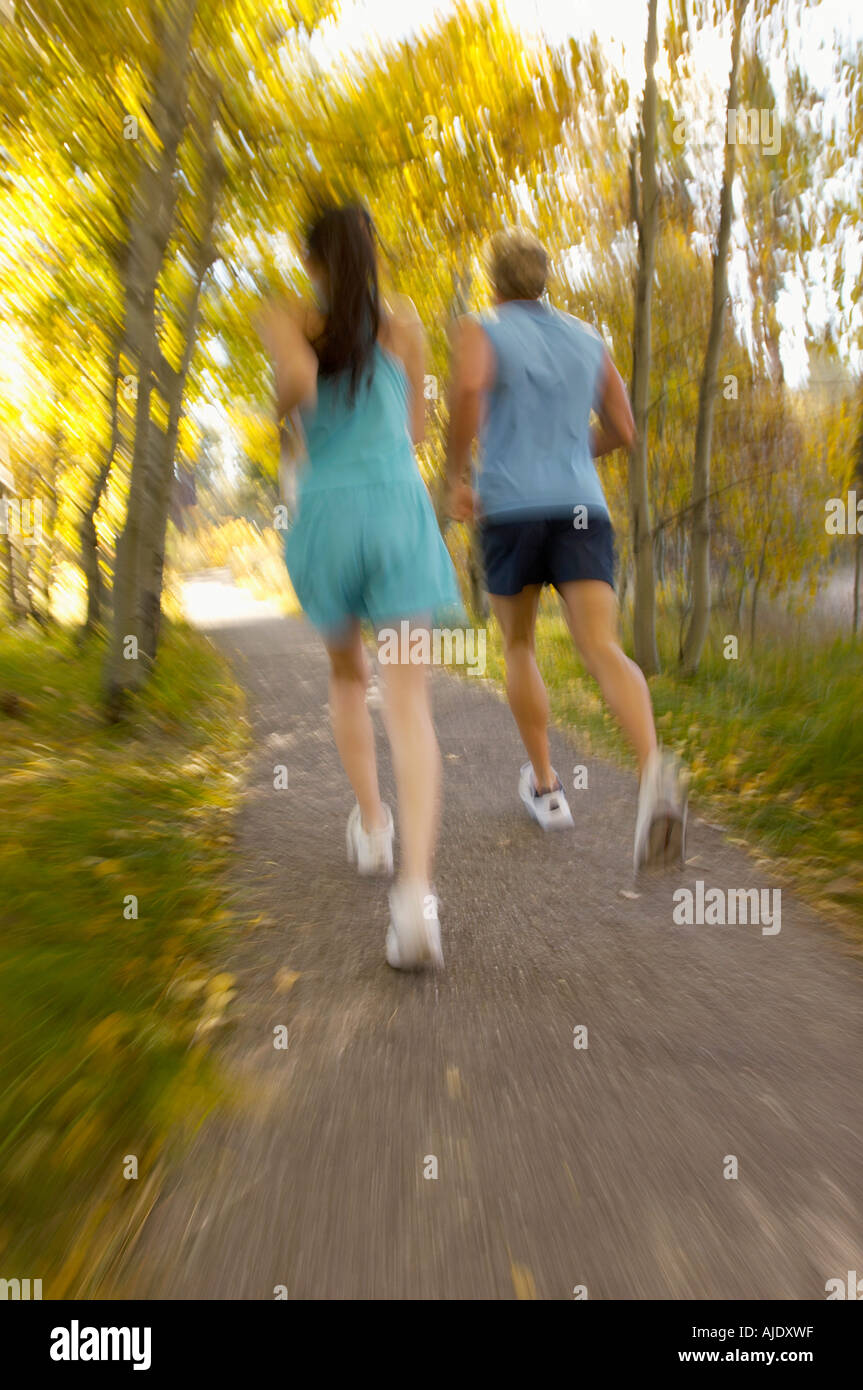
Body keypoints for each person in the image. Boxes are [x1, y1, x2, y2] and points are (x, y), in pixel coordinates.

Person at [258, 203, 461, 968]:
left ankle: (373, 828)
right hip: (395, 507)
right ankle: (414, 902)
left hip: (329, 513)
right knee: (409, 707)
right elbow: (415, 430)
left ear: (313, 261)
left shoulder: (288, 316)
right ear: (372, 254)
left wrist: (294, 385)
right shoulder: (402, 321)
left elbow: (293, 390)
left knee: (349, 678)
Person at [445, 227, 686, 871]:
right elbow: (624, 429)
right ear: (545, 277)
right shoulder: (588, 337)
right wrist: (573, 454)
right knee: (602, 647)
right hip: (583, 509)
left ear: (495, 280)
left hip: (510, 509)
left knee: (519, 644)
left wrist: (456, 475)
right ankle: (654, 771)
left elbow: (467, 395)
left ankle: (549, 790)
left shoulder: (483, 327)